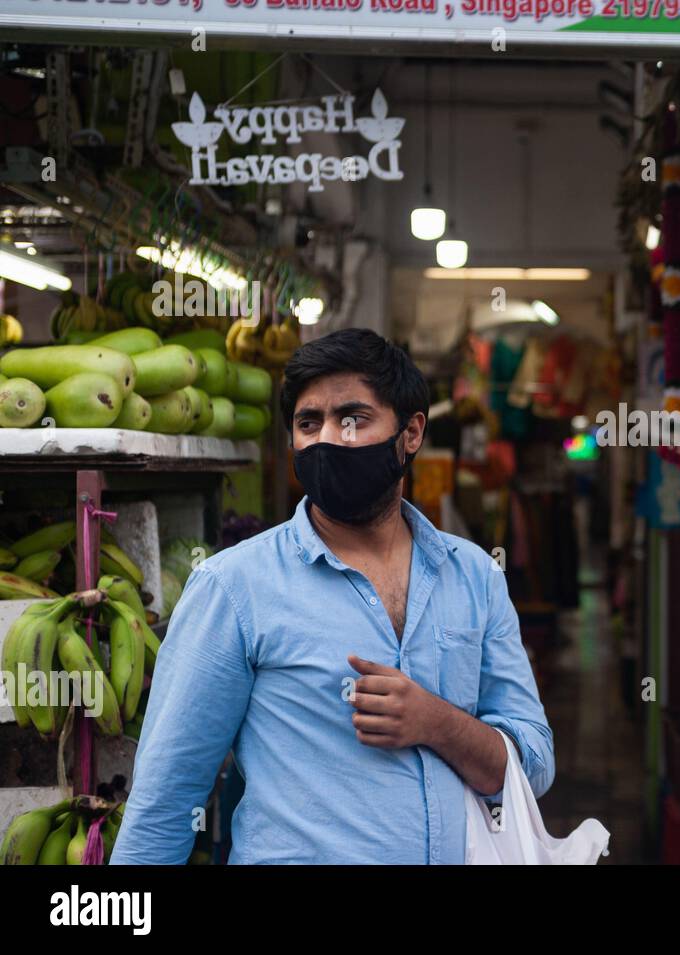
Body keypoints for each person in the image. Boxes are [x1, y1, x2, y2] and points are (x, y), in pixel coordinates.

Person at [110, 328, 554, 864]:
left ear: (411, 433)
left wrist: (437, 722)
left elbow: (534, 765)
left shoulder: (475, 577)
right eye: (307, 422)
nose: (326, 438)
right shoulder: (234, 588)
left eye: (351, 418)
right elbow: (166, 801)